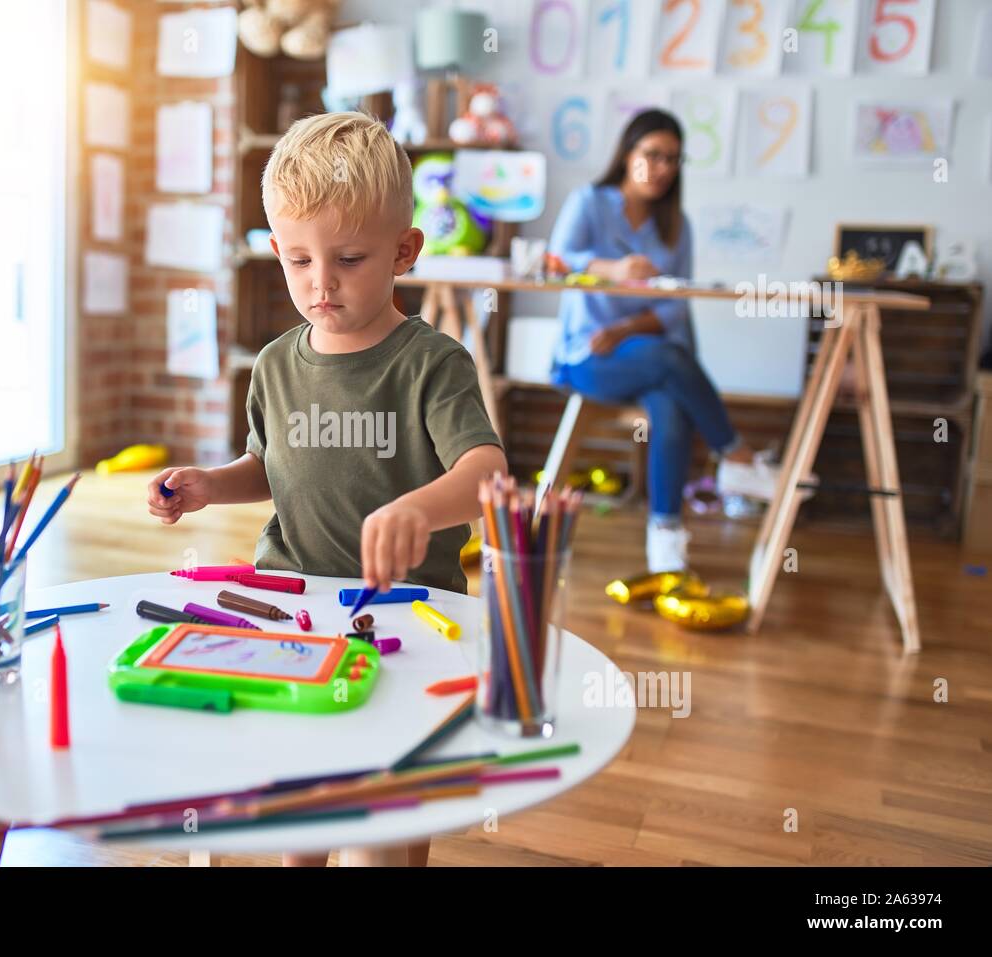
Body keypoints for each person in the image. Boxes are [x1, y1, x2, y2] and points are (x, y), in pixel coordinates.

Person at [147, 111, 507, 866]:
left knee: (386, 818)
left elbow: (486, 475)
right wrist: (211, 484)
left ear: (405, 251)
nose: (321, 283)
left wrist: (418, 504)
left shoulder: (432, 364)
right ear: (275, 250)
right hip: (292, 605)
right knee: (296, 802)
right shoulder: (275, 365)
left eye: (348, 257)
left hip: (410, 618)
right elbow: (272, 468)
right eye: (299, 260)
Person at [547, 108, 782, 573]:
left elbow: (676, 306)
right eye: (652, 155)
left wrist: (623, 329)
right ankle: (734, 456)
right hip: (587, 357)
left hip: (643, 353)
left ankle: (666, 542)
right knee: (670, 359)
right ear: (628, 153)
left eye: (673, 159)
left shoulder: (677, 226)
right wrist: (614, 270)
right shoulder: (589, 203)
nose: (662, 168)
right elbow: (556, 261)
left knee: (669, 402)